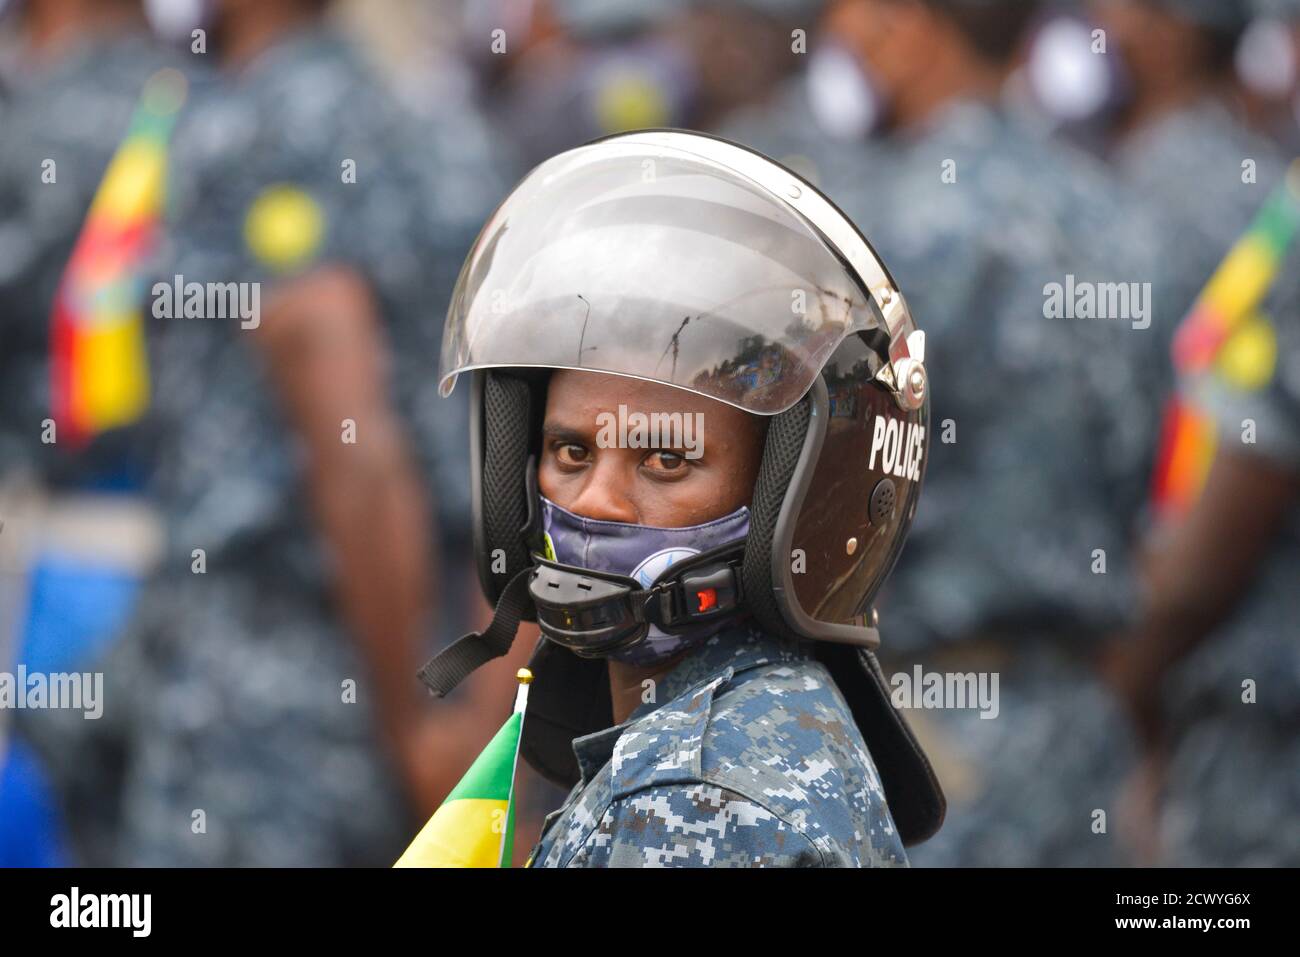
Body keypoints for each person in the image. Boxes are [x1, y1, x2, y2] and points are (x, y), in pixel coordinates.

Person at [15, 0, 519, 866]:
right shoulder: (440, 132)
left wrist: (409, 718)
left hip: (266, 707)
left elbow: (342, 416)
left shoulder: (243, 131)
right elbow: (509, 421)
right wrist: (480, 706)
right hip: (431, 653)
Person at [416, 129, 946, 867]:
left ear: (788, 499)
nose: (596, 500)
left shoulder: (692, 799)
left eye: (665, 459)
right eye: (573, 451)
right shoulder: (759, 723)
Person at [789, 0, 1172, 866]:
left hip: (924, 737)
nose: (842, 42)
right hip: (1085, 729)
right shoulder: (1113, 210)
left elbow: (818, 494)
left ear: (907, 27)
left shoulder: (883, 231)